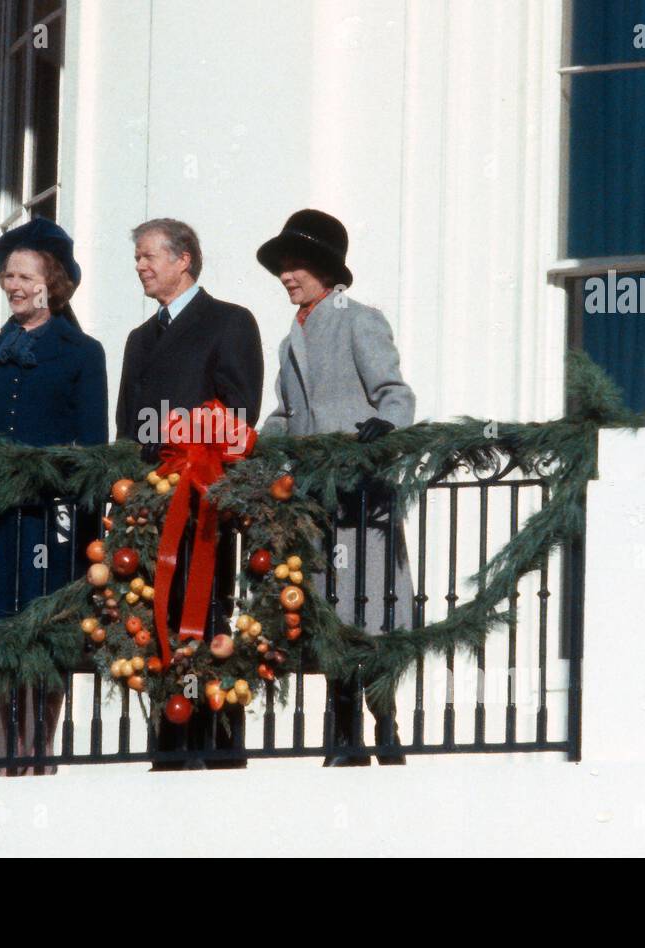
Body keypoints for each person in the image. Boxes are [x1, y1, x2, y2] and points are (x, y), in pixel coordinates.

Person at [0, 218, 108, 775]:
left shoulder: (83, 352)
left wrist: (83, 529)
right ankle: (16, 753)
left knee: (48, 640)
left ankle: (41, 753)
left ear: (52, 283)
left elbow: (91, 449)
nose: (13, 284)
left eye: (25, 275)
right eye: (7, 274)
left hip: (49, 523)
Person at [256, 208, 415, 766]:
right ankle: (342, 730)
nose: (287, 276)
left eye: (297, 264)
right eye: (283, 266)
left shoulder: (357, 318)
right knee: (326, 611)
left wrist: (384, 429)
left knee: (369, 612)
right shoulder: (287, 339)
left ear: (327, 268)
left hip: (359, 497)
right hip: (311, 503)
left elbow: (396, 394)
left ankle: (385, 725)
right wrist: (254, 446)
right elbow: (283, 414)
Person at [117, 218, 264, 769]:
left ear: (184, 260)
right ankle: (169, 746)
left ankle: (216, 746)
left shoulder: (228, 322)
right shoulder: (139, 338)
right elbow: (128, 427)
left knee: (207, 616)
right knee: (154, 616)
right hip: (151, 507)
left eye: (149, 255)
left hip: (205, 503)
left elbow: (240, 409)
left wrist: (187, 444)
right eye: (136, 256)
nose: (140, 265)